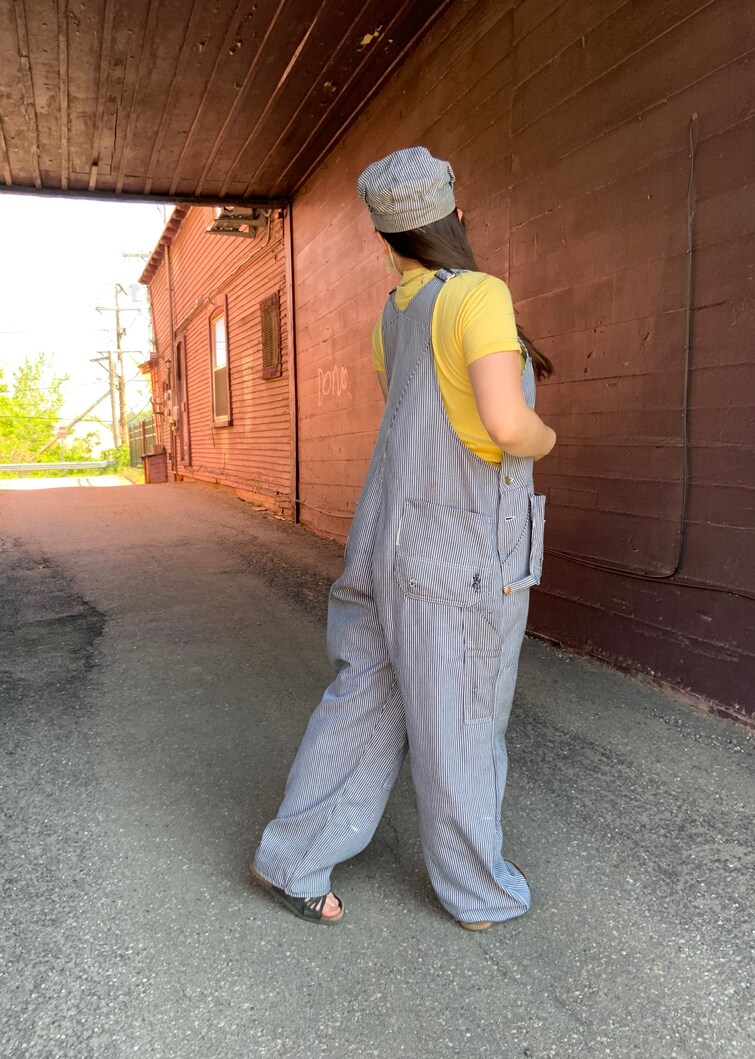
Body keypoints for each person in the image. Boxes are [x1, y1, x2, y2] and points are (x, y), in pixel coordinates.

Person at [248, 147, 556, 930]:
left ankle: (293, 858)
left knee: (365, 696)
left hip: (384, 540)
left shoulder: (396, 314)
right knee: (463, 716)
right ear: (456, 217)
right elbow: (502, 426)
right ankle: (476, 892)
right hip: (457, 552)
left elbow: (411, 427)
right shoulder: (479, 296)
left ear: (387, 239)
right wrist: (545, 436)